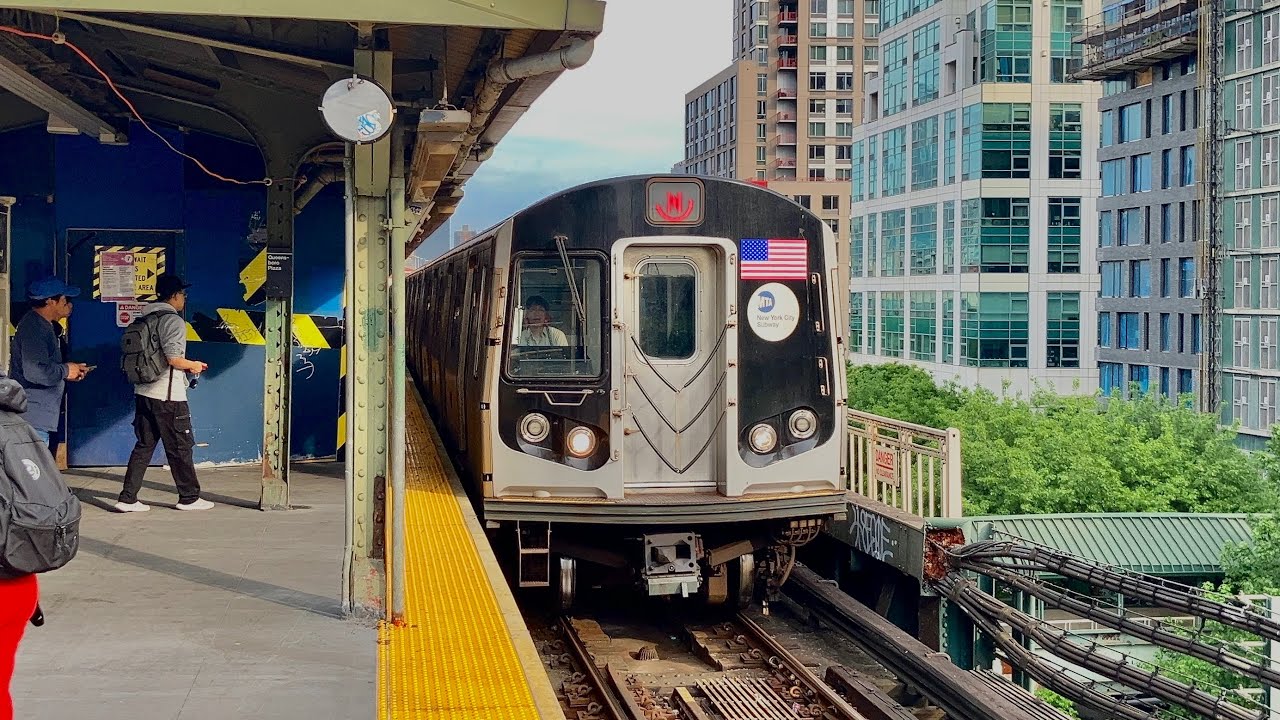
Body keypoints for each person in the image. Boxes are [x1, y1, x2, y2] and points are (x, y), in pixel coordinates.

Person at [115, 274, 213, 513]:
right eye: (183, 294)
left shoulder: (144, 317)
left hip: (143, 392)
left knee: (144, 445)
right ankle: (189, 498)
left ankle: (127, 498)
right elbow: (174, 359)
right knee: (180, 447)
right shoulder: (173, 321)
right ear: (175, 296)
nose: (184, 299)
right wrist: (194, 365)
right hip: (168, 396)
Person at [10, 278, 89, 452]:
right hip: (33, 419)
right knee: (33, 467)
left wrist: (68, 372)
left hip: (39, 417)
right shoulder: (34, 328)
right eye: (65, 300)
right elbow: (35, 371)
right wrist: (66, 370)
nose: (70, 305)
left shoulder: (43, 326)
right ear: (50, 302)